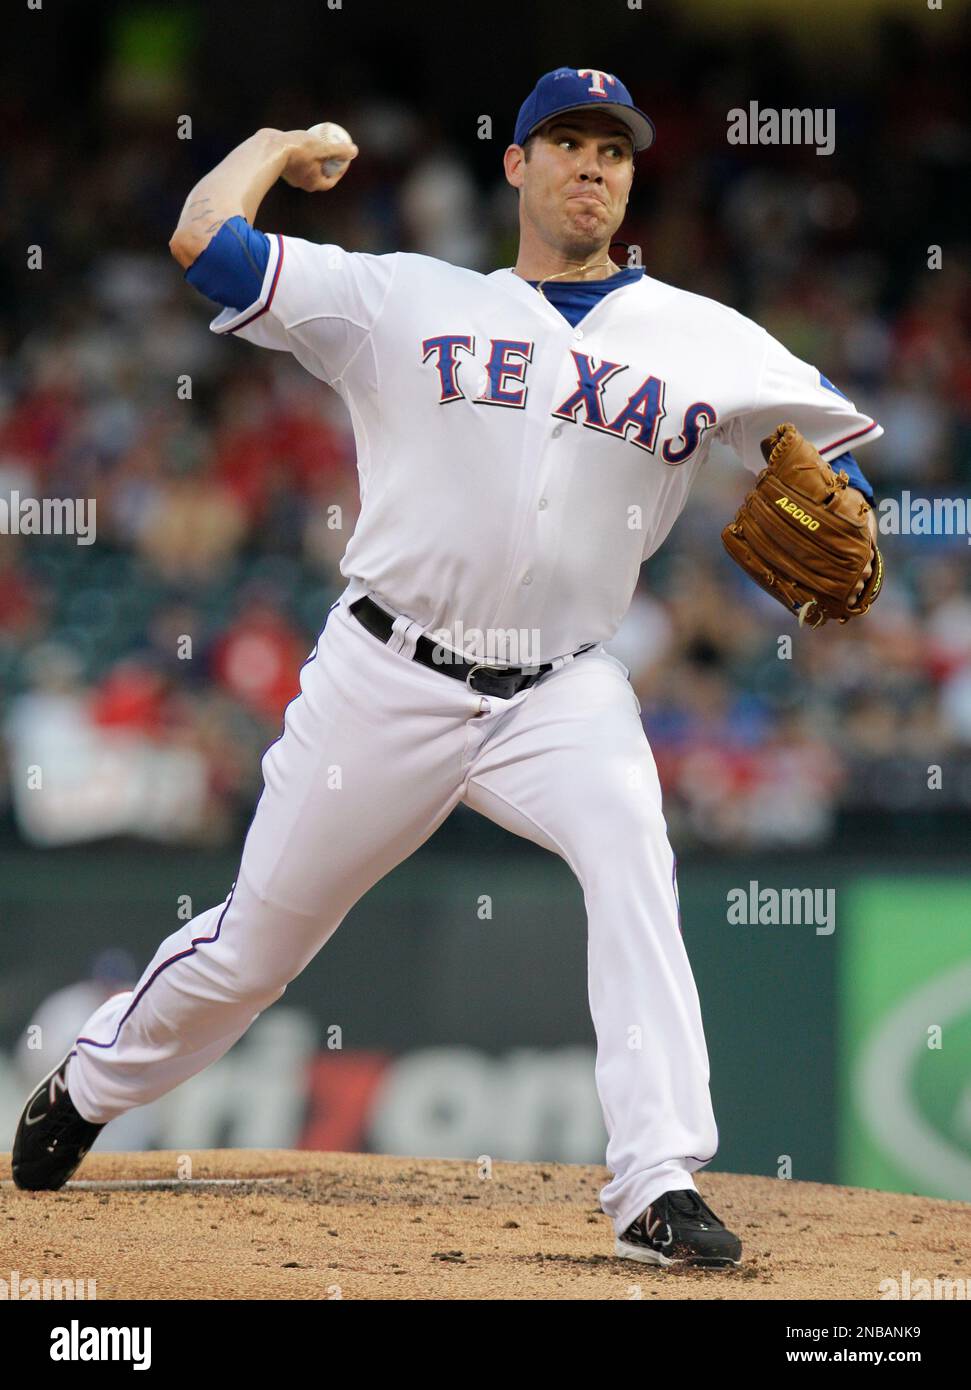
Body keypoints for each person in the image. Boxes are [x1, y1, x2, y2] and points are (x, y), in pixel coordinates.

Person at [13, 67, 882, 1269]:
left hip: (562, 688)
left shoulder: (704, 338)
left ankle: (655, 1177)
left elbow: (838, 467)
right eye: (566, 144)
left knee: (631, 843)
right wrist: (271, 141)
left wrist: (860, 509)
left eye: (614, 151)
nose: (592, 166)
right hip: (386, 675)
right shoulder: (404, 300)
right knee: (254, 951)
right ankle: (95, 1082)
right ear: (515, 166)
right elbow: (205, 243)